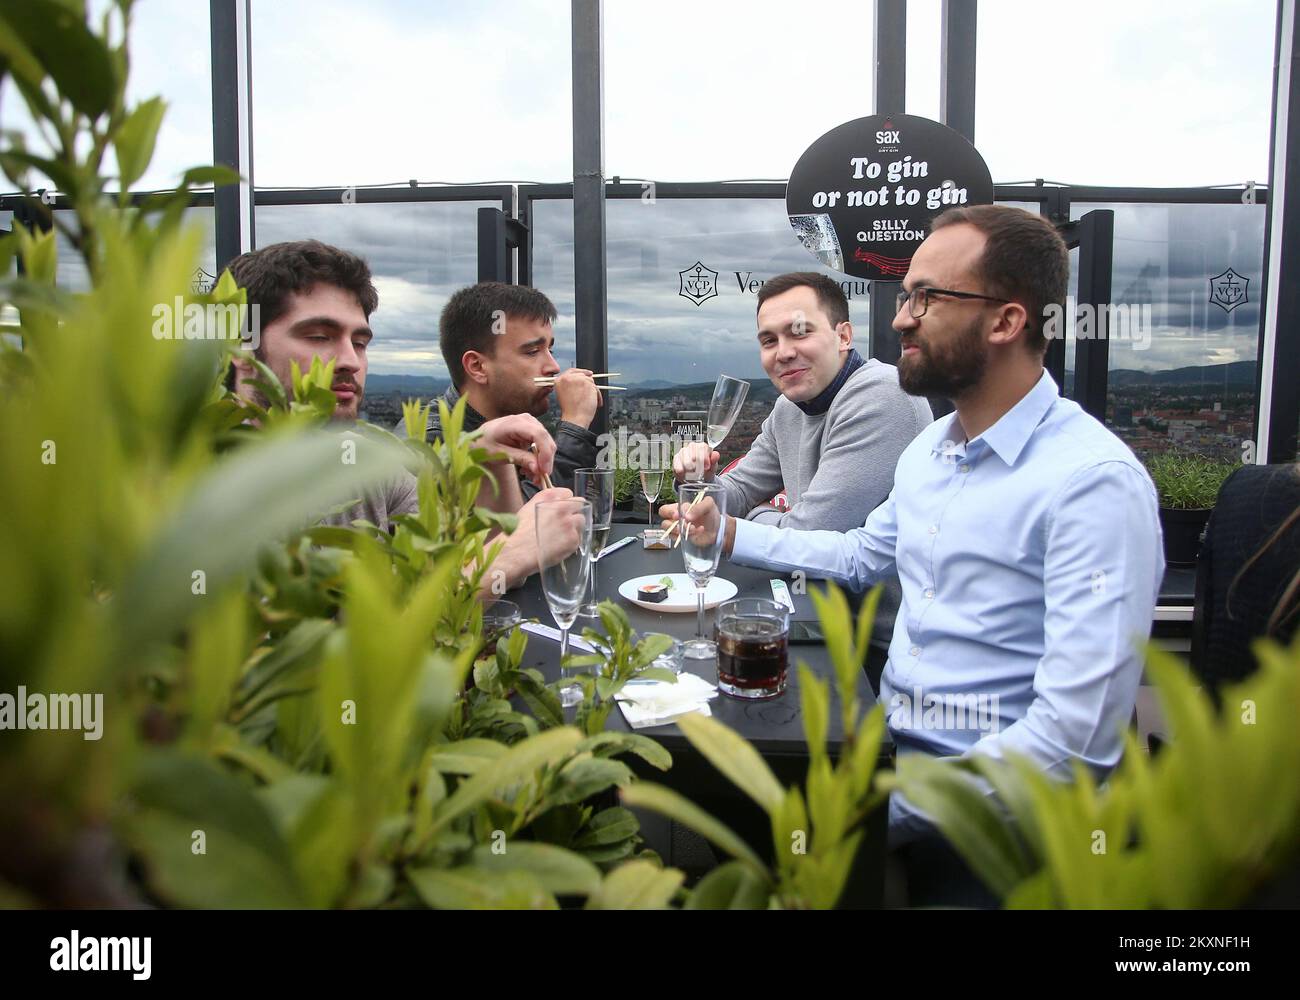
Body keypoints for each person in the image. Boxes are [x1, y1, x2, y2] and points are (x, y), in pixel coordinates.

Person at [668, 206, 1165, 879]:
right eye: (906, 296)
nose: (901, 318)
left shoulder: (1092, 484)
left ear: (1007, 321)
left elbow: (1072, 743)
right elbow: (859, 553)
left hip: (997, 834)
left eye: (927, 297)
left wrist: (876, 816)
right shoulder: (935, 446)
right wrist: (726, 530)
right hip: (891, 751)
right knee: (706, 781)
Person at [225, 240, 571, 599]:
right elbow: (344, 645)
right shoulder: (200, 495)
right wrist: (512, 553)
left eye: (359, 342)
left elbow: (459, 572)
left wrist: (489, 458)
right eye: (318, 337)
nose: (350, 361)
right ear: (242, 350)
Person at [666, 271, 931, 673]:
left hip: (878, 649)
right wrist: (697, 479)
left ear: (844, 336)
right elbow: (737, 490)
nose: (783, 352)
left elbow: (808, 535)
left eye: (799, 332)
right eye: (769, 340)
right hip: (816, 617)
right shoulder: (790, 407)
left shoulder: (882, 394)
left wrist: (750, 518)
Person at [406, 281, 603, 499]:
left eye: (550, 349)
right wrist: (575, 425)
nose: (554, 367)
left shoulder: (519, 429)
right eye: (532, 351)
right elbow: (522, 526)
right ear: (477, 367)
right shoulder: (429, 444)